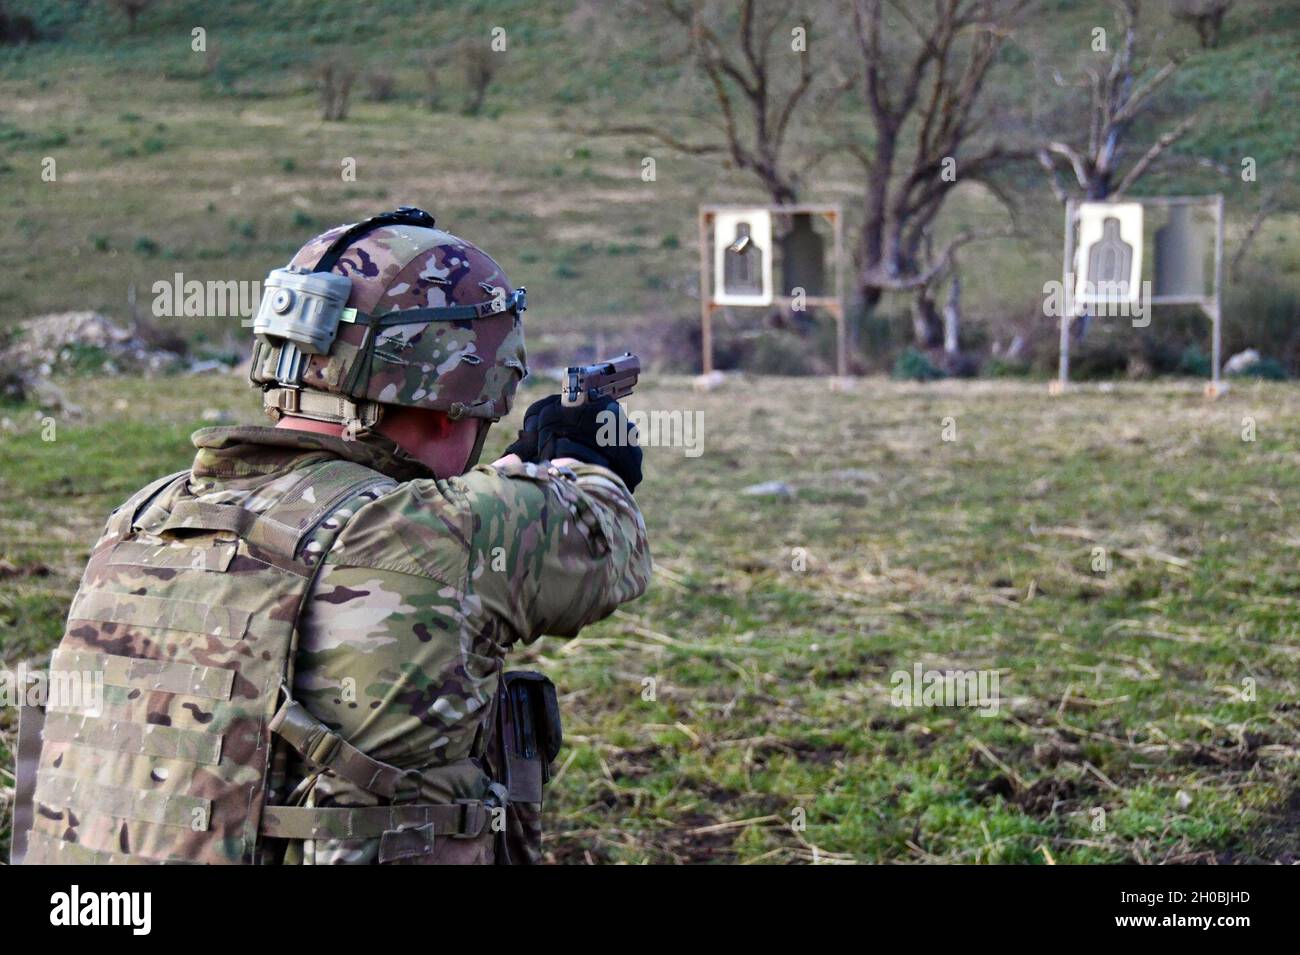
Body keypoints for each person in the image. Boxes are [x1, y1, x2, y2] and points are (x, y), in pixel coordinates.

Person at [13, 207, 650, 865]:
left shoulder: (140, 518)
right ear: (457, 394)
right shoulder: (444, 532)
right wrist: (580, 452)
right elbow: (610, 533)